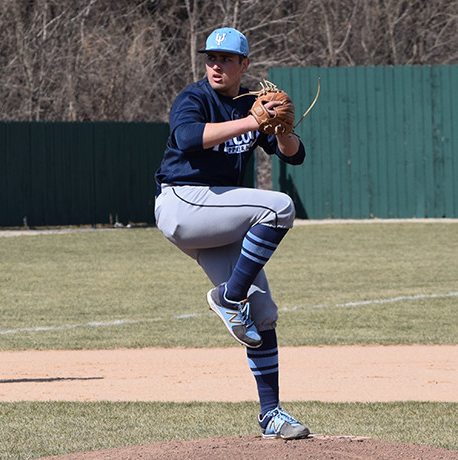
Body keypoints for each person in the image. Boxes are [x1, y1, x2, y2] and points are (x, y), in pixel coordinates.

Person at [154, 27, 310, 440]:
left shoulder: (252, 104)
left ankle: (271, 414)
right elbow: (188, 138)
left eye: (225, 59)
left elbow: (294, 156)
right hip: (182, 202)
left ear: (244, 65)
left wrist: (281, 128)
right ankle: (227, 297)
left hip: (218, 219)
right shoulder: (194, 98)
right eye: (211, 58)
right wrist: (250, 120)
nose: (216, 65)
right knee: (278, 208)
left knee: (262, 315)